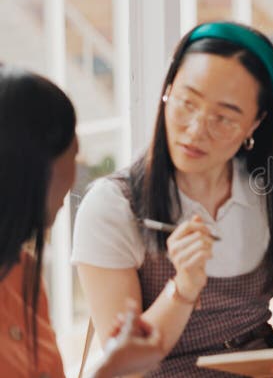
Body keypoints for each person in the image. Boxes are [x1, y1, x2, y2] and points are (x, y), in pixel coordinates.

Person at [72, 22, 273, 377]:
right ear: (168, 91)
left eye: (223, 118)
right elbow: (126, 367)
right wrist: (183, 287)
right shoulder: (113, 207)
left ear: (256, 123)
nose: (195, 130)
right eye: (187, 102)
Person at [0, 65, 164, 377]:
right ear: (31, 167)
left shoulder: (23, 272)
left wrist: (111, 367)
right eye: (73, 156)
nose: (76, 177)